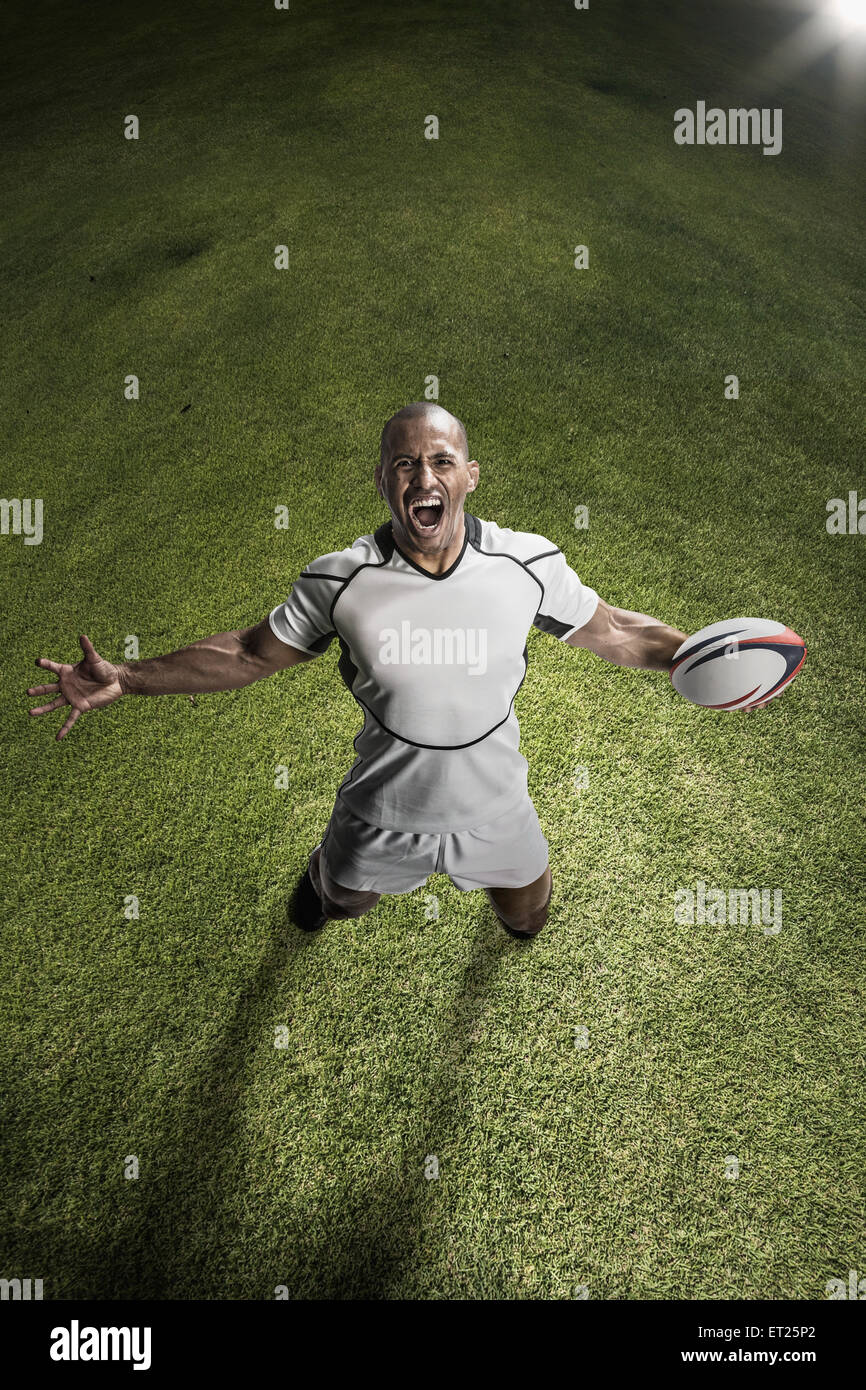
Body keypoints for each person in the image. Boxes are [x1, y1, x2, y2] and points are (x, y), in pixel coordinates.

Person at [28, 402, 687, 939]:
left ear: (471, 476)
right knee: (342, 901)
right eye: (405, 464)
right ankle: (322, 883)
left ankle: (509, 921)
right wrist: (130, 676)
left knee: (527, 913)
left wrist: (698, 658)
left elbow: (617, 631)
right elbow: (252, 652)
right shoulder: (341, 581)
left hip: (497, 804)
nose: (424, 478)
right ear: (382, 481)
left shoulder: (527, 565)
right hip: (382, 807)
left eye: (441, 461)